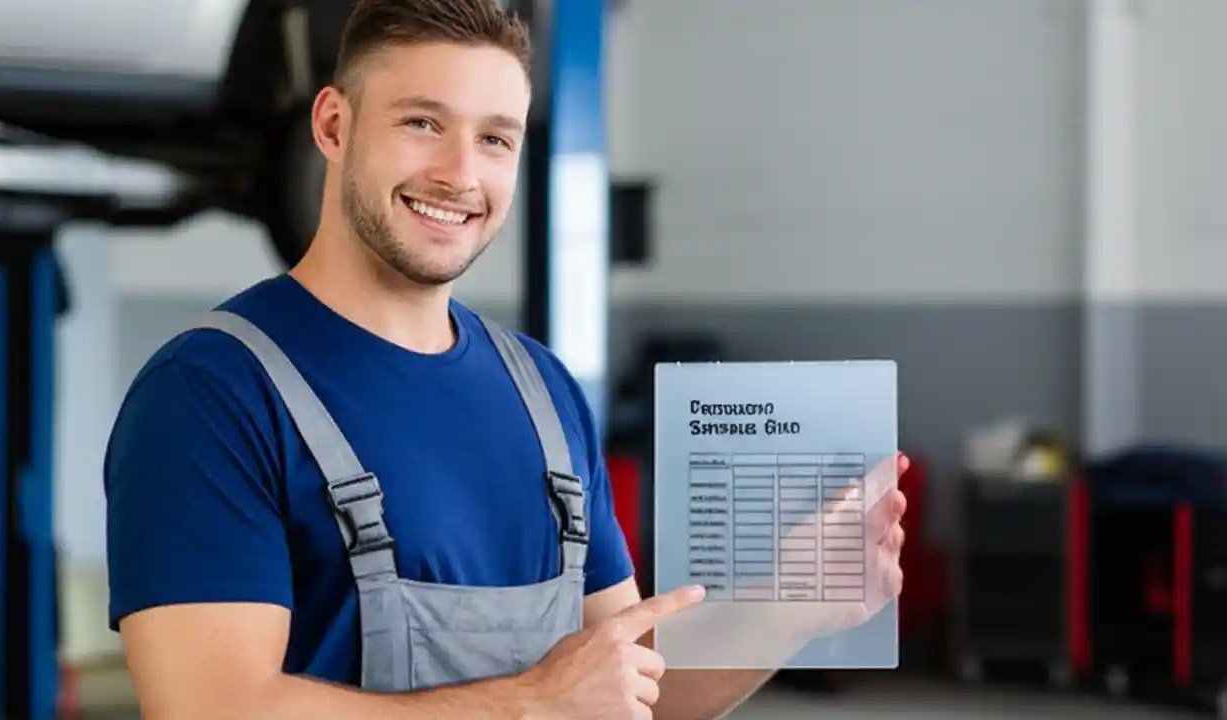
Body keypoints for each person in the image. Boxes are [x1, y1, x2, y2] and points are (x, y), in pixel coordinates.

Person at [103, 0, 909, 718]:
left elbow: (630, 689)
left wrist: (790, 604)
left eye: (495, 138)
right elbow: (213, 705)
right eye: (422, 123)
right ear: (333, 126)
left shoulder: (543, 390)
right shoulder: (212, 392)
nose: (461, 173)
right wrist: (528, 706)